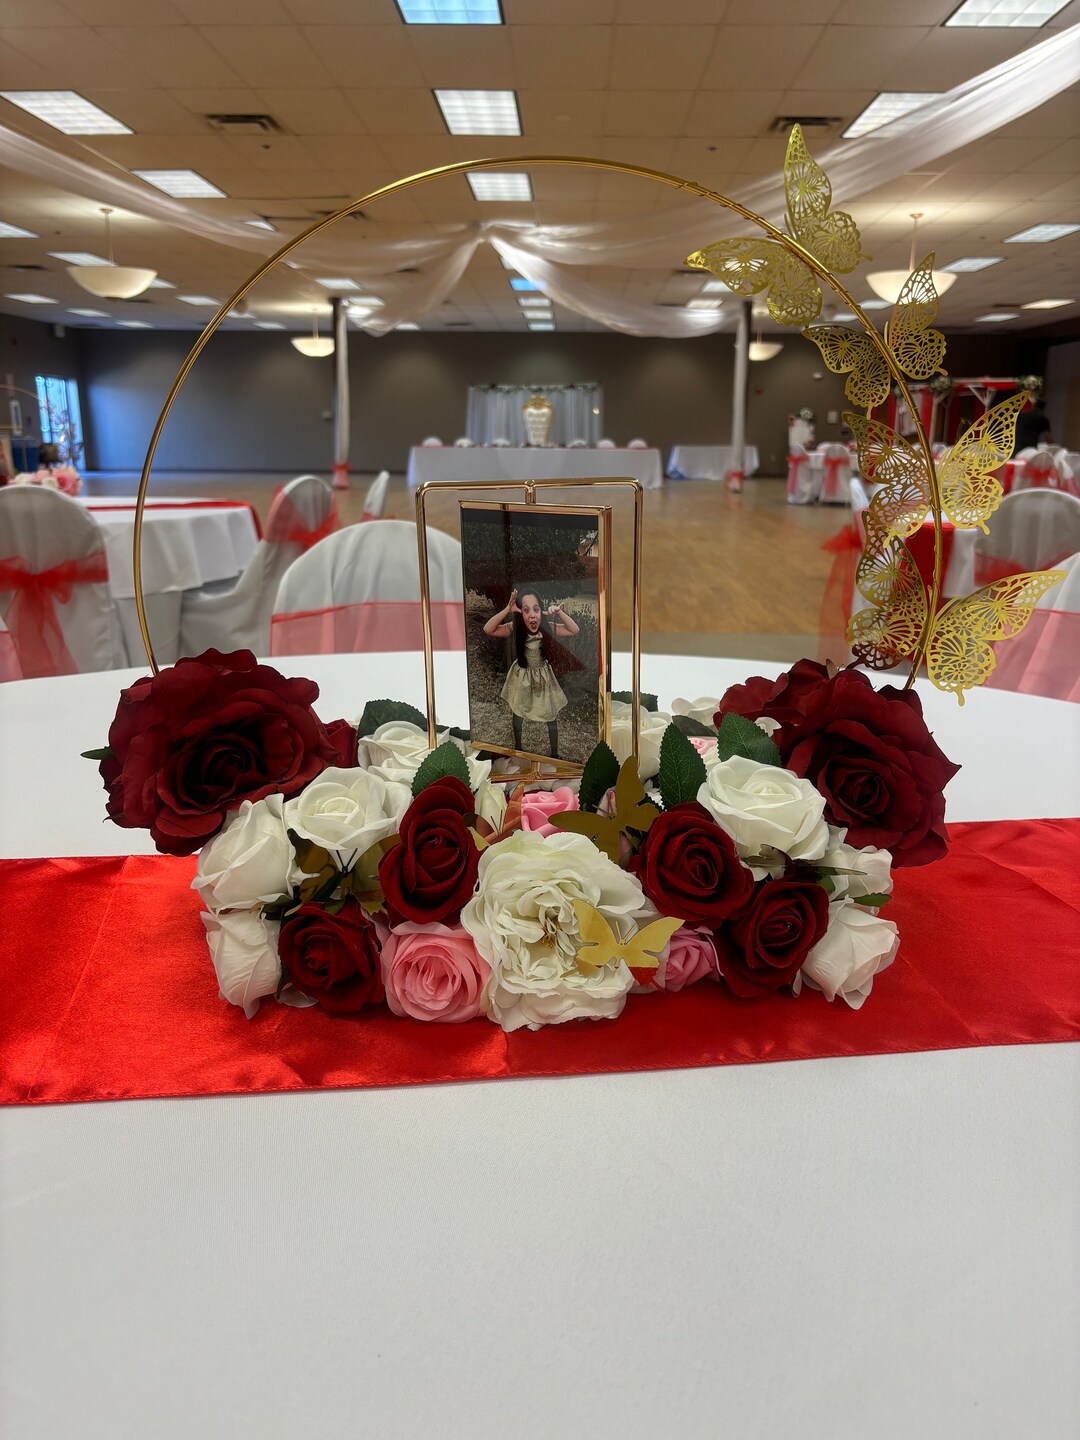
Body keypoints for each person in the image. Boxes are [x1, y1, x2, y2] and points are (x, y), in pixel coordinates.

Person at [483, 587, 580, 758]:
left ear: (542, 611)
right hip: (522, 675)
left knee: (550, 714)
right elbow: (488, 629)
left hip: (543, 676)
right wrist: (507, 609)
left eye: (536, 609)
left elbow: (574, 630)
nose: (532, 615)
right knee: (518, 711)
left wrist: (558, 612)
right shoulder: (516, 627)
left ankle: (554, 754)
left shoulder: (547, 627)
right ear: (520, 613)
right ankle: (518, 746)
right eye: (526, 610)